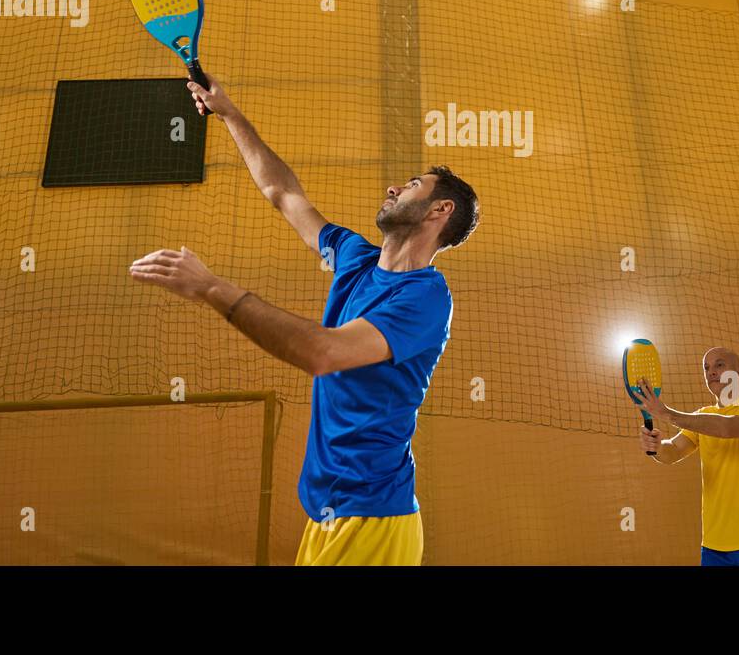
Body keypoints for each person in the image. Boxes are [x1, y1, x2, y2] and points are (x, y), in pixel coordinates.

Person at [129, 73, 479, 565]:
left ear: (440, 210)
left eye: (413, 184)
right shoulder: (356, 259)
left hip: (373, 521)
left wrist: (212, 287)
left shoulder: (425, 297)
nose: (394, 186)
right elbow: (284, 193)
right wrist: (229, 113)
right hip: (328, 515)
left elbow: (324, 353)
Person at [634, 346, 739, 565]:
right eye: (706, 368)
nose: (711, 372)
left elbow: (726, 428)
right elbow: (673, 451)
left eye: (719, 365)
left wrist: (667, 414)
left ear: (738, 375)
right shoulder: (702, 416)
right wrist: (656, 446)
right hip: (714, 549)